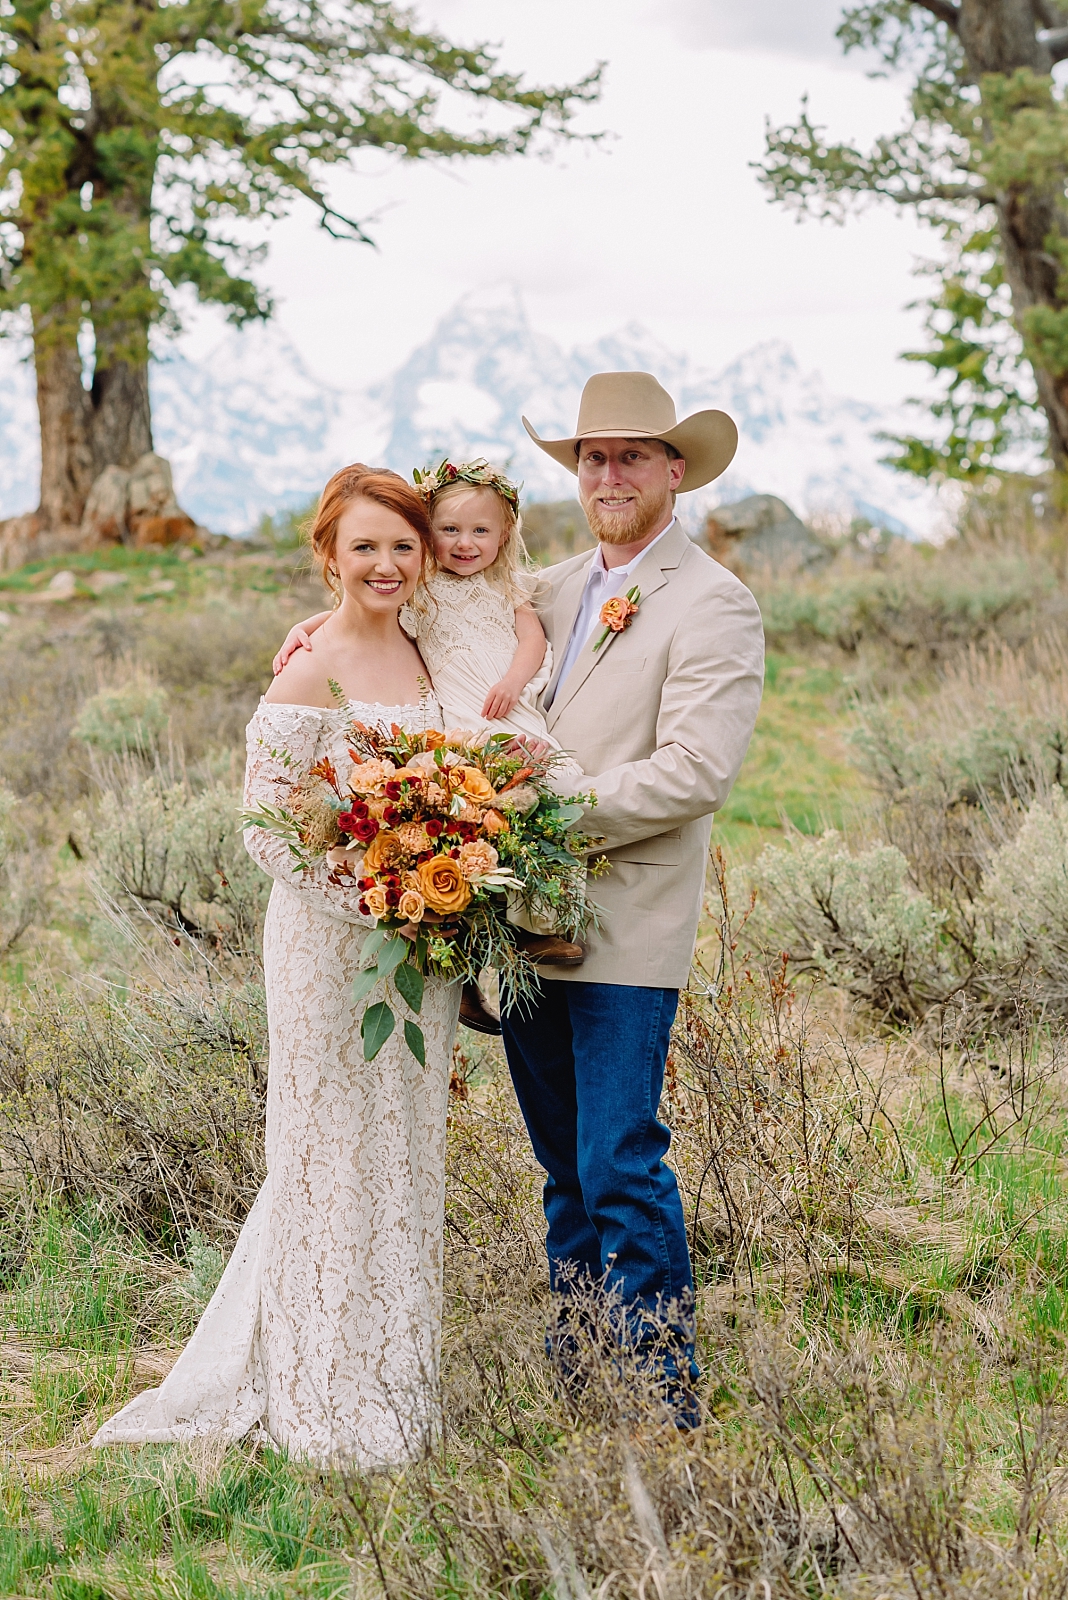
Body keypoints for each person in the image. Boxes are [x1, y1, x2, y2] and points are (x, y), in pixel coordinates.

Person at [93, 465, 462, 1469]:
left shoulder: (432, 649)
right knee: (328, 1149)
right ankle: (321, 1399)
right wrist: (374, 895)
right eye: (365, 548)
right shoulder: (309, 667)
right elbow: (268, 831)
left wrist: (435, 896)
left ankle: (394, 1378)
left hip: (419, 949)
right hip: (328, 941)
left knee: (402, 1149)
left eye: (403, 546)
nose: (385, 565)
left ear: (424, 555)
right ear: (328, 556)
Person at [505, 371, 764, 1417]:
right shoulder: (552, 589)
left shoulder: (714, 602)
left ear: (674, 471)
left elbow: (695, 771)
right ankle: (578, 1382)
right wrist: (320, 633)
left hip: (627, 921)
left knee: (619, 1159)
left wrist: (547, 816)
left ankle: (664, 1396)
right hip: (525, 922)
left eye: (629, 456)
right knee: (563, 1167)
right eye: (591, 458)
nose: (608, 474)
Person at [274, 458, 590, 1034]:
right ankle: (469, 965)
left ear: (504, 536)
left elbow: (531, 637)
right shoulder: (425, 596)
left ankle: (534, 926)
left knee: (530, 805)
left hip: (500, 707)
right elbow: (366, 603)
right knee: (472, 813)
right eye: (449, 531)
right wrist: (310, 626)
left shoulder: (506, 590)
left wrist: (516, 681)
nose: (465, 544)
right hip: (458, 723)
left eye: (480, 531)